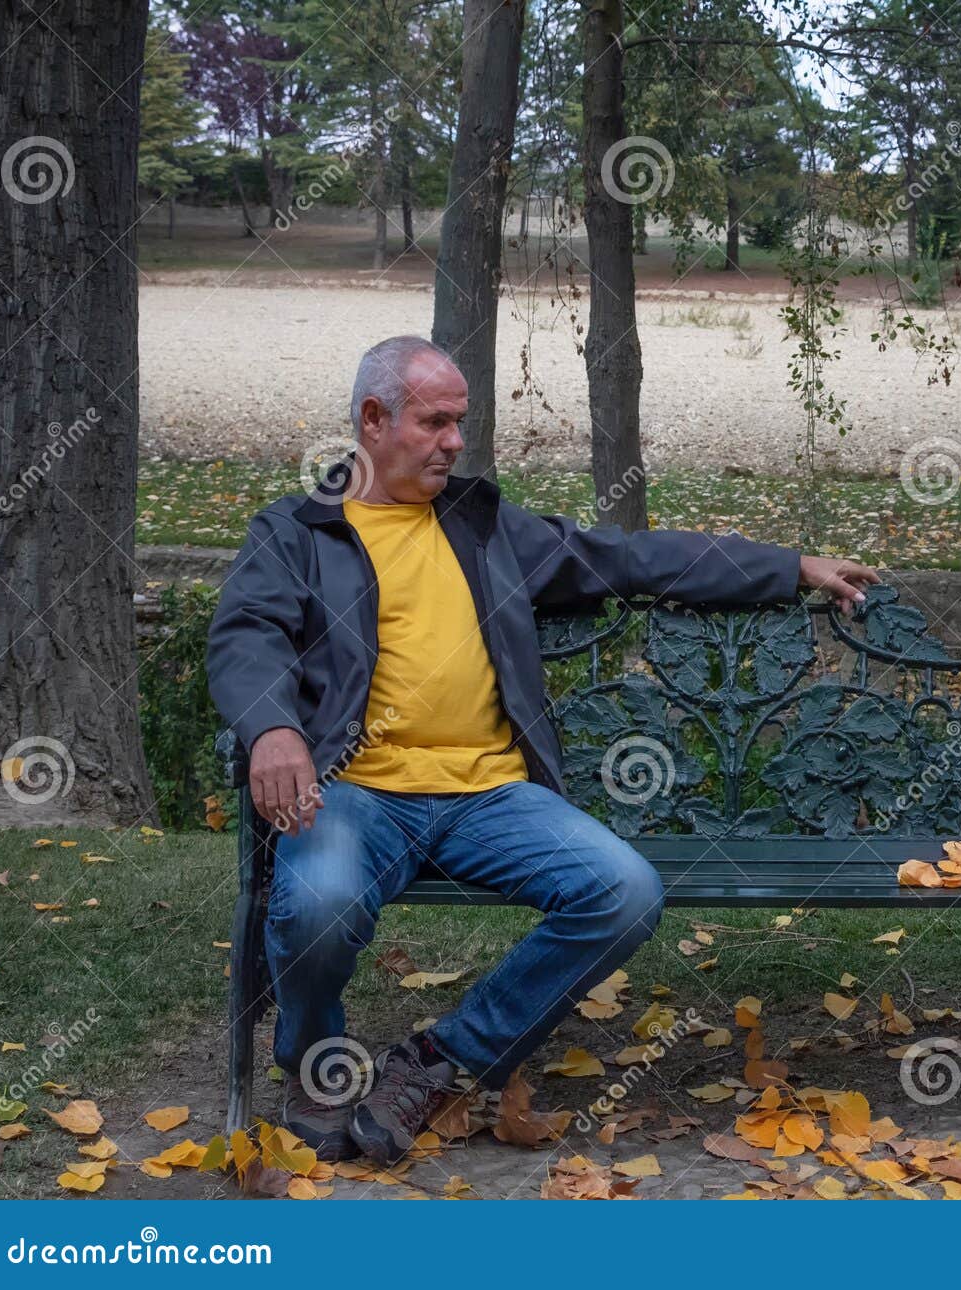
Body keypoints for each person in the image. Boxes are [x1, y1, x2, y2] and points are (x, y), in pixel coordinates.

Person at [207, 335, 879, 1164]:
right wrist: (274, 727)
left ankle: (438, 1062)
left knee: (625, 891)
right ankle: (318, 1068)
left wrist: (788, 567)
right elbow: (246, 636)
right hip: (355, 791)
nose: (456, 441)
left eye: (460, 422)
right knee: (318, 903)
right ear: (374, 421)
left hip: (491, 798)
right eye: (436, 422)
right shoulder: (298, 533)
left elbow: (629, 558)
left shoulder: (483, 529)